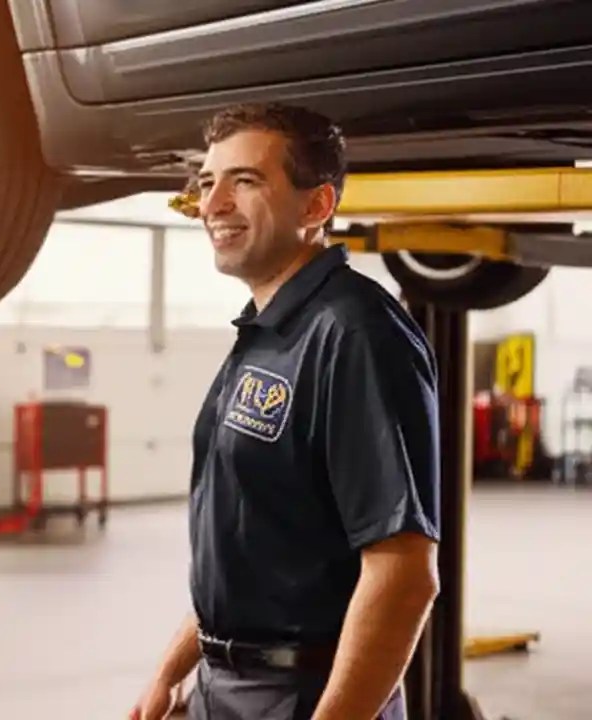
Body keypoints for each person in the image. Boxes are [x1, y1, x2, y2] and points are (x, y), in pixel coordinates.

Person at [130, 103, 441, 720]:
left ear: (316, 207)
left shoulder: (354, 334)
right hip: (226, 688)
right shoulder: (270, 332)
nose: (213, 203)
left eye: (244, 181)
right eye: (207, 182)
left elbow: (404, 574)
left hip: (309, 695)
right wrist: (173, 670)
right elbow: (258, 543)